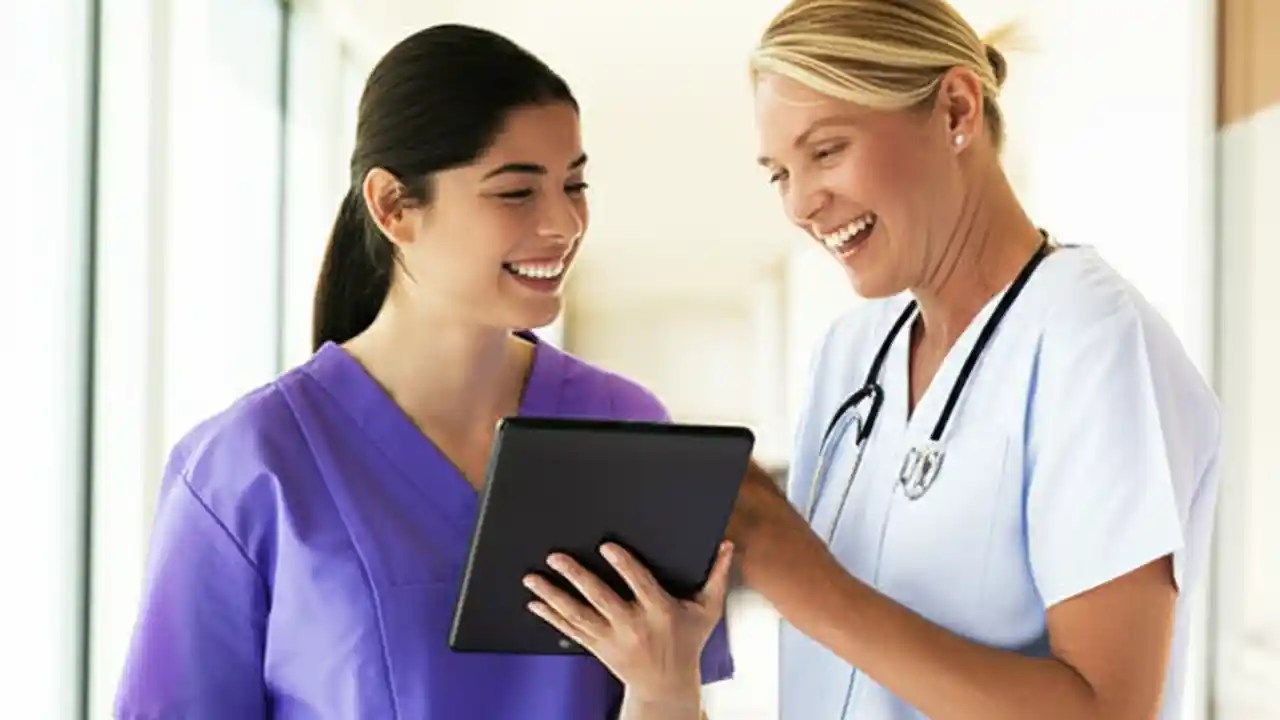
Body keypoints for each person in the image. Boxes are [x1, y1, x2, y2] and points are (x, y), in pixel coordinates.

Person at [114, 24, 733, 720]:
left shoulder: (628, 429)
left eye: (574, 184)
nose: (564, 222)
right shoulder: (246, 469)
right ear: (393, 206)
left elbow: (675, 697)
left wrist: (664, 687)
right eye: (516, 192)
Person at [724, 1, 1222, 719]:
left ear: (957, 109)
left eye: (827, 151)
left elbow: (1108, 710)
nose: (802, 202)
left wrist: (798, 576)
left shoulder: (1089, 339)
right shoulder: (851, 355)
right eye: (779, 173)